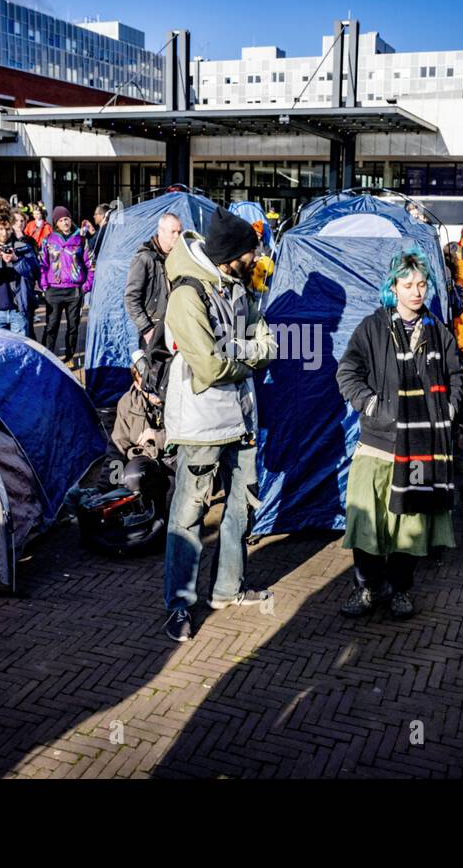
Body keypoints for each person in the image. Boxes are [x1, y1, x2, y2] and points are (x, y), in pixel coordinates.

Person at [160, 207, 277, 644]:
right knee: (189, 513)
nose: (256, 259)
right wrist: (250, 355)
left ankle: (228, 589)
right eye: (251, 252)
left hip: (242, 416)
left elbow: (264, 337)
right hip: (202, 422)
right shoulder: (187, 295)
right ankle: (179, 605)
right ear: (233, 254)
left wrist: (246, 352)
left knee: (241, 504)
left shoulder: (236, 288)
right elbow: (208, 366)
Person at [335, 248, 463, 621]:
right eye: (408, 284)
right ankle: (368, 588)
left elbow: (456, 375)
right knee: (368, 522)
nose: (416, 292)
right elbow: (347, 372)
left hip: (421, 447)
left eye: (422, 284)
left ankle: (401, 589)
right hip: (378, 444)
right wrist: (374, 406)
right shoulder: (373, 327)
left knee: (408, 525)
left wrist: (451, 407)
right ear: (393, 287)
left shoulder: (437, 331)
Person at [39, 205, 94, 365]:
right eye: (61, 220)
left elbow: (91, 264)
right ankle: (46, 357)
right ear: (56, 222)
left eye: (67, 219)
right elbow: (42, 264)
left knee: (73, 327)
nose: (65, 222)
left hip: (74, 291)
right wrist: (44, 285)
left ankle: (69, 357)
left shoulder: (81, 240)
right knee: (51, 326)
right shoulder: (48, 240)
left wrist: (85, 286)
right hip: (53, 290)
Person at [0, 206, 39, 337]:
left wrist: (16, 260)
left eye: (8, 229)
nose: (4, 233)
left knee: (19, 349)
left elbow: (34, 273)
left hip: (18, 309)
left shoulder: (23, 248)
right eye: (1, 229)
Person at [125, 212, 181, 349]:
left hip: (175, 328)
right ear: (160, 231)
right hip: (153, 328)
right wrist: (147, 329)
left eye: (179, 231)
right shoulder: (144, 258)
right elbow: (131, 298)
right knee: (154, 369)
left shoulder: (178, 257)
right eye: (173, 232)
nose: (177, 236)